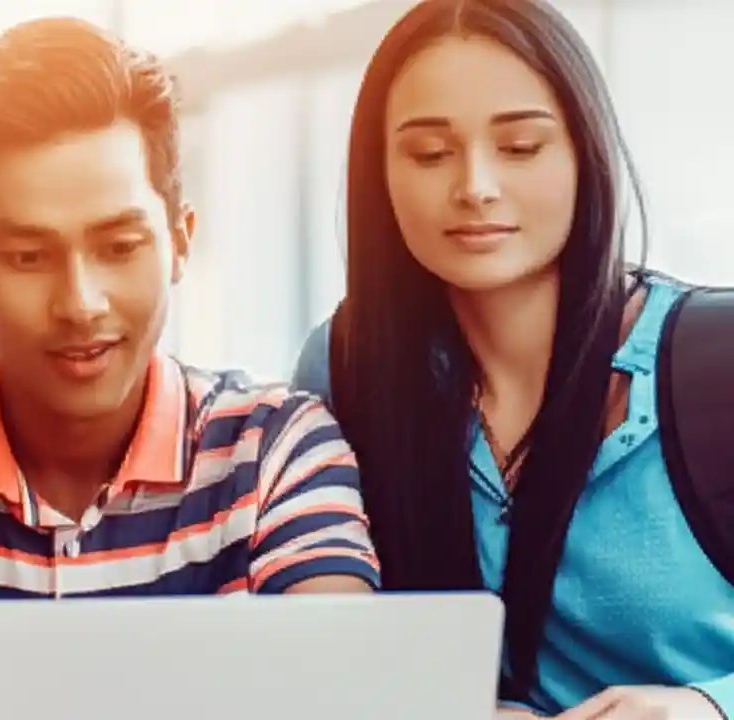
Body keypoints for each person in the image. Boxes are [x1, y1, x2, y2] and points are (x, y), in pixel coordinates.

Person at [0, 16, 379, 704]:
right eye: (29, 257)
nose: (80, 304)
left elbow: (344, 705)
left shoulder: (276, 455)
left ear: (179, 241)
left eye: (118, 247)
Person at [291, 0, 733, 718]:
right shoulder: (345, 372)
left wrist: (705, 708)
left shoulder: (715, 362)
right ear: (381, 175)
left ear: (584, 152)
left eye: (521, 147)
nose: (475, 186)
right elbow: (322, 655)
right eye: (430, 154)